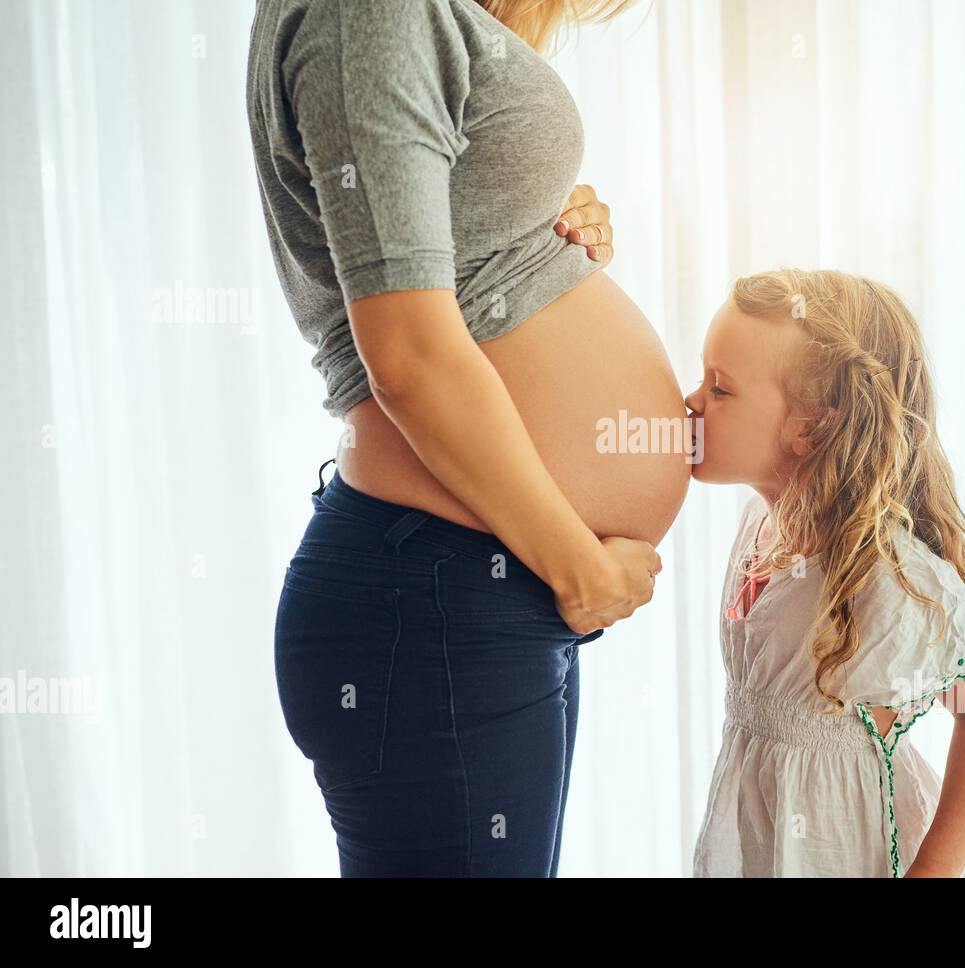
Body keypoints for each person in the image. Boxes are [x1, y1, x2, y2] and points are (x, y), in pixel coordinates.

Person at [246, 0, 688, 876]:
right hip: (441, 595)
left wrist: (542, 225)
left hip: (471, 587)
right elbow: (407, 356)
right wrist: (580, 566)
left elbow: (433, 264)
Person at [685, 268, 965, 877]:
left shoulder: (881, 574)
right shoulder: (754, 530)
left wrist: (936, 868)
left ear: (810, 426)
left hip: (846, 849)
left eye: (720, 388)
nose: (690, 401)